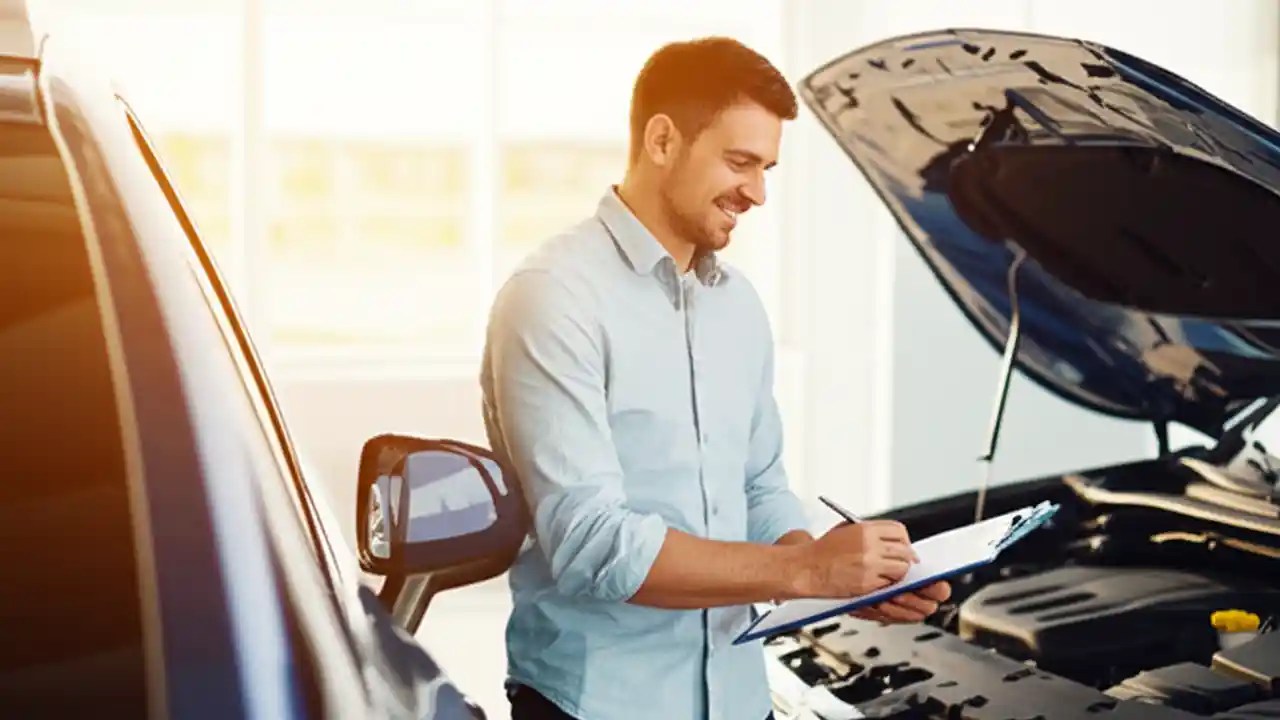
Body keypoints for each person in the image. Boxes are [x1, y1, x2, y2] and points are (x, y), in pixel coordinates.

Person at [479, 36, 950, 720]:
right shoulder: (553, 297)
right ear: (662, 140)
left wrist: (841, 577)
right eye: (739, 162)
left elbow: (759, 487)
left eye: (766, 168)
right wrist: (806, 571)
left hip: (738, 699)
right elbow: (591, 542)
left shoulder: (737, 306)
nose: (757, 192)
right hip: (598, 706)